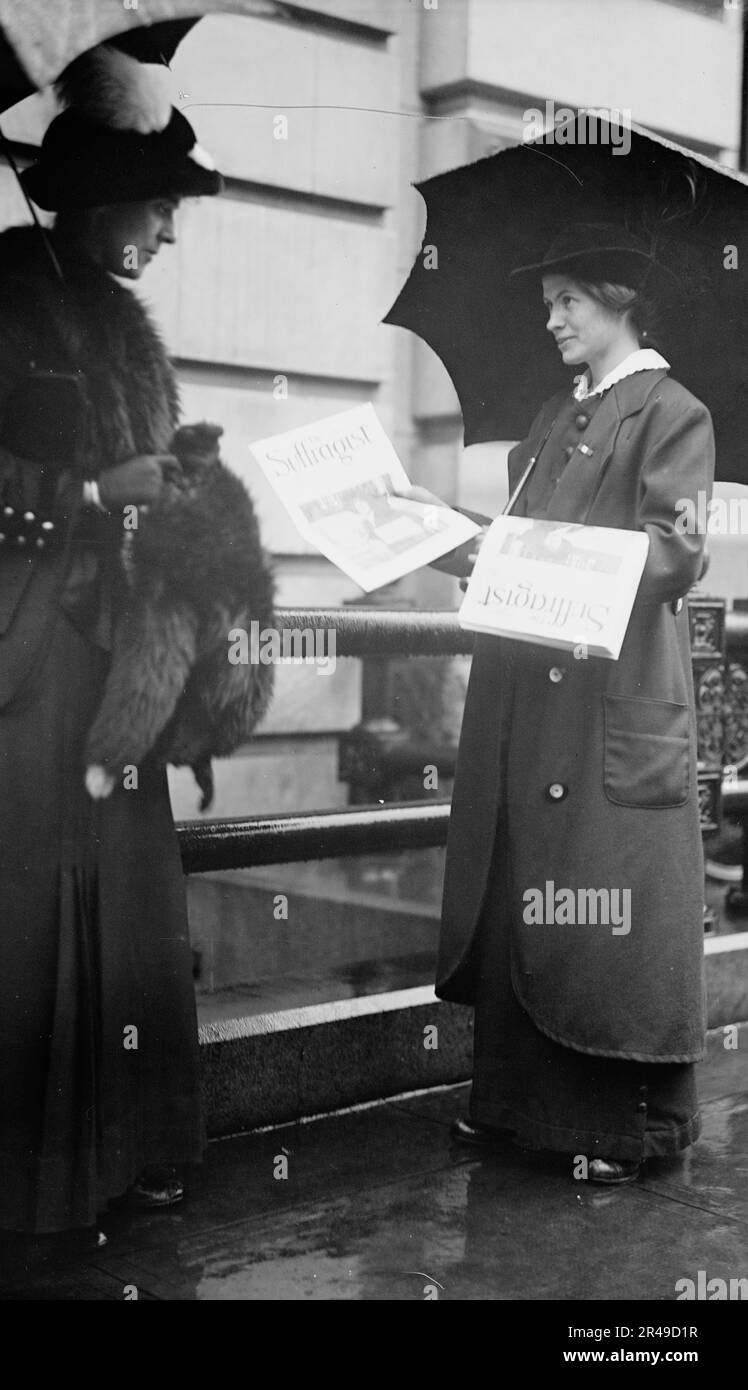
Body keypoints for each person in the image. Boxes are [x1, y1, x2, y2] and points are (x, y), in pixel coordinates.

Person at [0, 48, 271, 1245]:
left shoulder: (119, 320)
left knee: (123, 914)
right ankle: (13, 1183)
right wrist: (92, 497)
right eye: (157, 206)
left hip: (112, 666)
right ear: (96, 193)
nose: (169, 233)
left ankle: (119, 1155)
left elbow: (136, 490)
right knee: (24, 911)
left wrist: (178, 498)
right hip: (18, 656)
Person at [408, 224, 713, 1184]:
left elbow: (677, 551)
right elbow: (520, 537)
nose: (551, 320)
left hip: (608, 700)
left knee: (602, 907)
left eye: (567, 301)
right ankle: (510, 1108)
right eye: (548, 303)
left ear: (619, 298)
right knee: (521, 888)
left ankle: (622, 1129)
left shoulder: (674, 411)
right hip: (528, 690)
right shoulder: (553, 414)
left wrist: (545, 563)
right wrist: (449, 535)